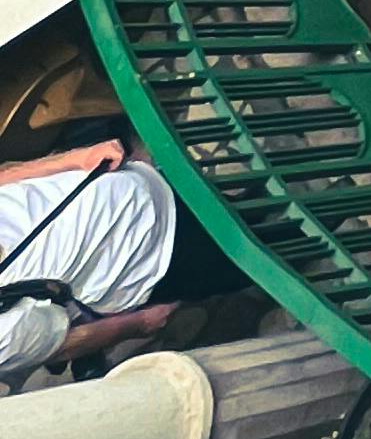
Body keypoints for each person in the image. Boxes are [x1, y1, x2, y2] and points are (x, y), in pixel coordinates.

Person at [0, 144, 238, 381]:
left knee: (241, 206)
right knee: (254, 247)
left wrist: (76, 159)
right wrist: (140, 323)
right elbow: (61, 345)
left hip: (128, 184)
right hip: (157, 255)